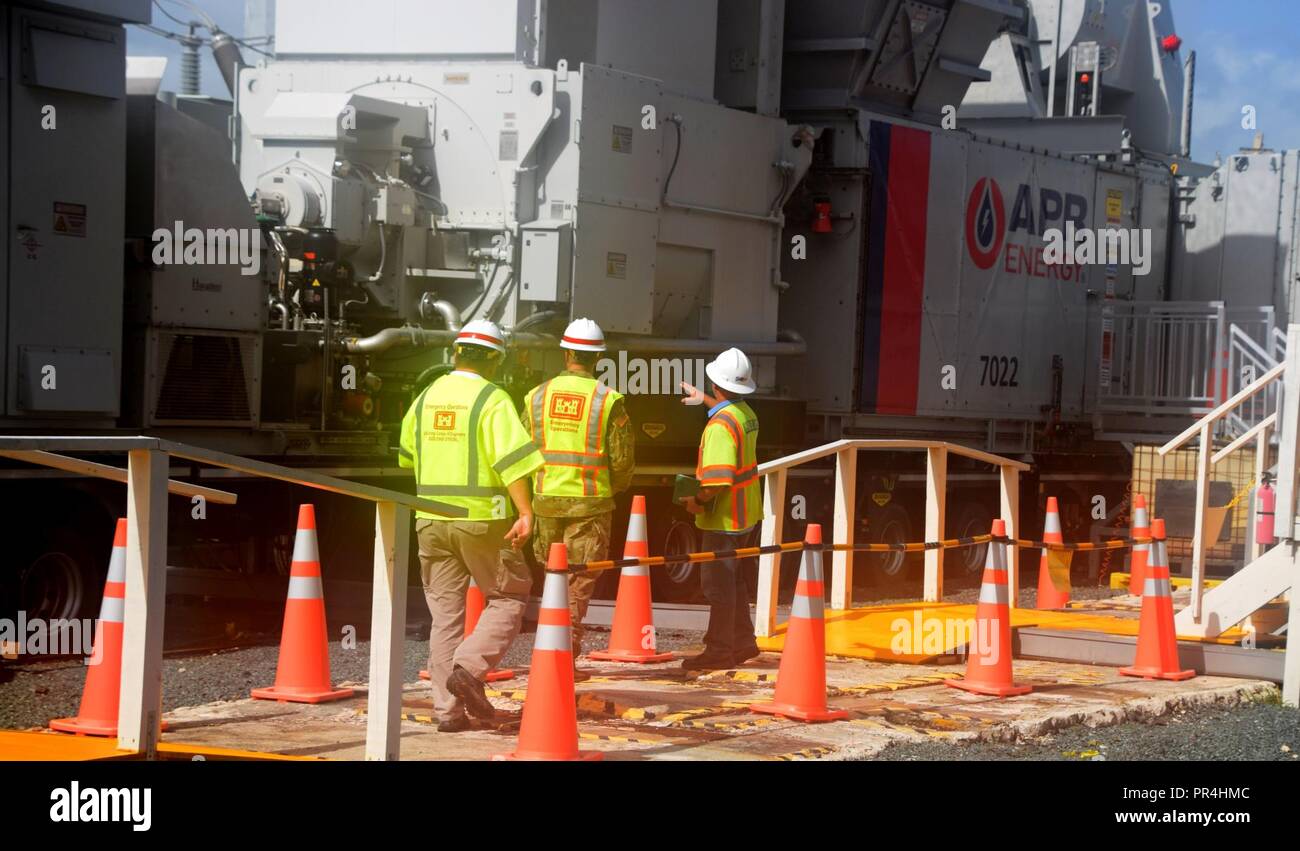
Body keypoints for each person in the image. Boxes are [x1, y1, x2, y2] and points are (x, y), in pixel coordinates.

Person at [398, 319, 544, 732]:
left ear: (456, 352)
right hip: (481, 520)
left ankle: (448, 712)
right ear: (496, 359)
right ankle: (468, 668)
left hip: (429, 520)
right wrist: (525, 511)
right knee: (509, 596)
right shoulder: (493, 399)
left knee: (445, 618)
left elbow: (406, 456)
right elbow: (512, 460)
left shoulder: (426, 396)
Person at [523, 318, 635, 680]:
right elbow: (621, 461)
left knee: (552, 579)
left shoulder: (536, 396)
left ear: (566, 352)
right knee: (578, 583)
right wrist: (612, 487)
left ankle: (549, 652)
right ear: (597, 359)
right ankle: (561, 659)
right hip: (590, 504)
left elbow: (522, 451)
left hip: (544, 501)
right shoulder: (608, 401)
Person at [679, 348, 763, 672]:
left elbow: (716, 481)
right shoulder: (746, 414)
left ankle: (719, 650)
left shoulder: (718, 428)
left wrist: (695, 501)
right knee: (735, 582)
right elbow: (728, 412)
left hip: (723, 519)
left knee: (717, 587)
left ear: (716, 384)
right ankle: (743, 640)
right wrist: (705, 400)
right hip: (746, 515)